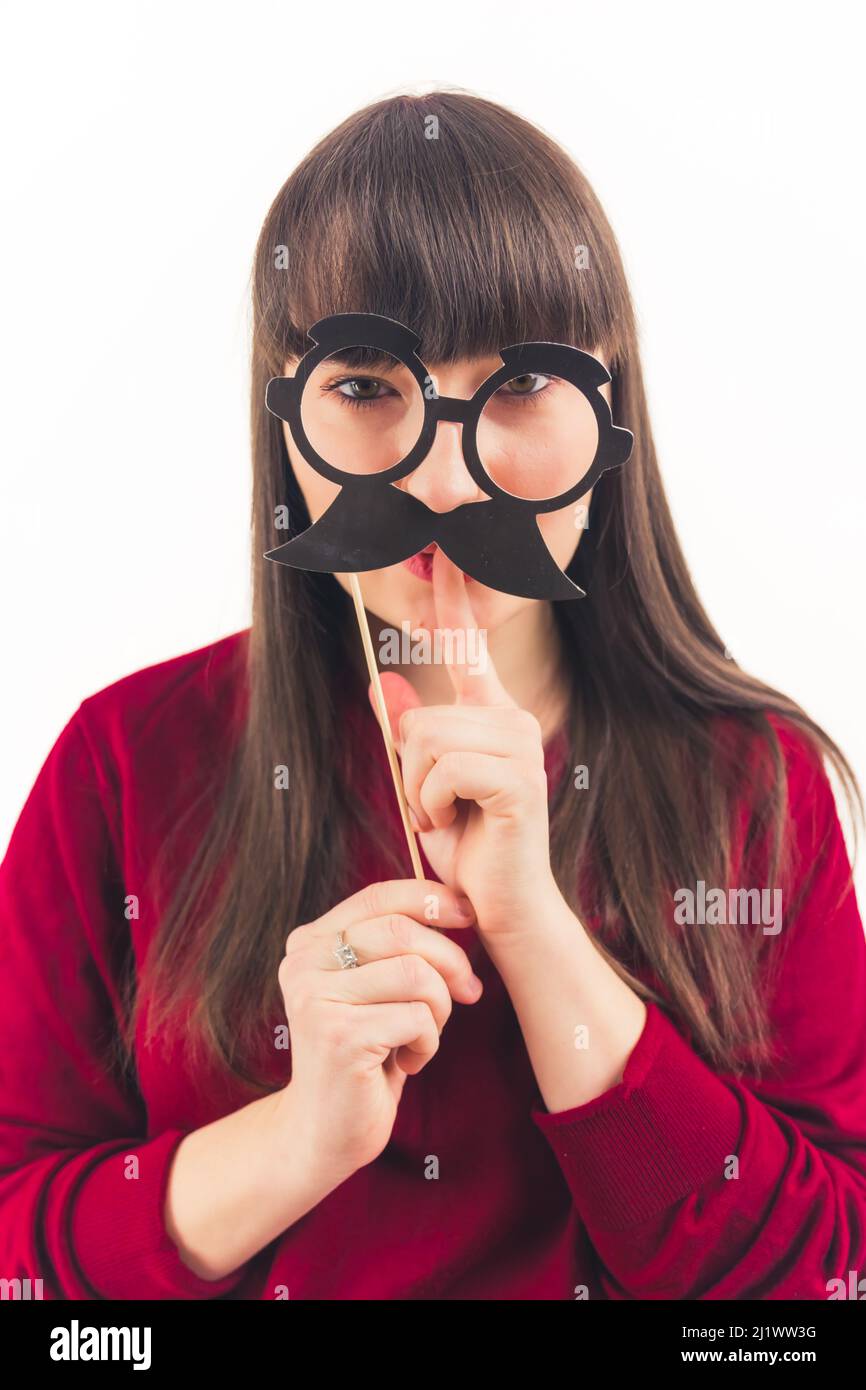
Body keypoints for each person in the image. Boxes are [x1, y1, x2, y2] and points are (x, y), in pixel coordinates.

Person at [1, 90, 864, 1301]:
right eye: (365, 388)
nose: (450, 474)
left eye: (517, 386)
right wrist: (301, 1139)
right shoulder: (121, 762)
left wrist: (530, 922)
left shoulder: (752, 782)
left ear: (606, 412)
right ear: (286, 423)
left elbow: (818, 1284)